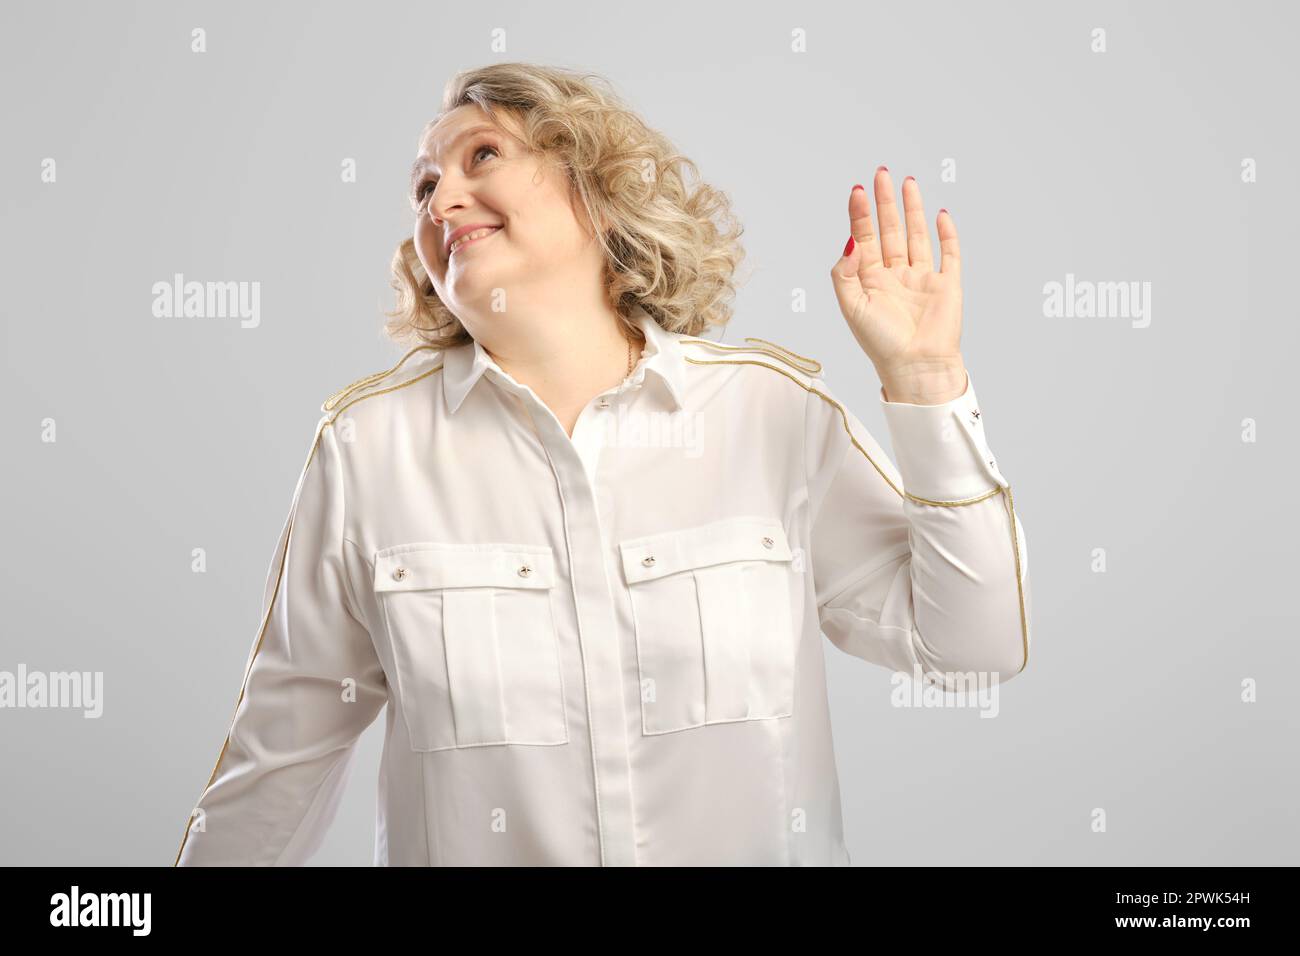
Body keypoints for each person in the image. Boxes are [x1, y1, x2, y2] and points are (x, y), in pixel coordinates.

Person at [173, 62, 1030, 867]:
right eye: (423, 186)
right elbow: (277, 768)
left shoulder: (772, 415)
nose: (443, 200)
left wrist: (923, 380)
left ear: (600, 193)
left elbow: (974, 646)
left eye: (483, 156)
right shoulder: (367, 450)